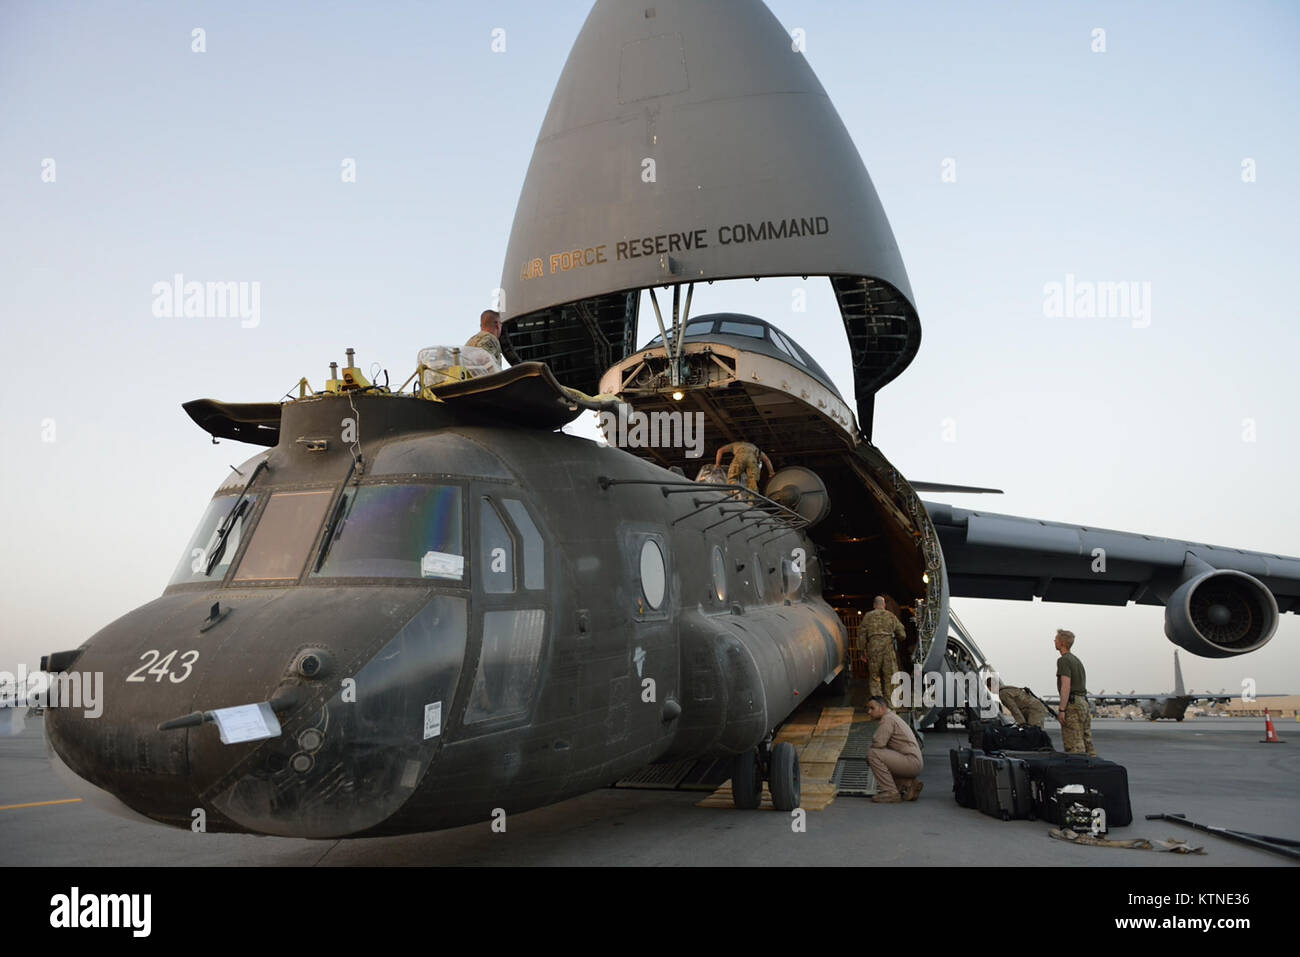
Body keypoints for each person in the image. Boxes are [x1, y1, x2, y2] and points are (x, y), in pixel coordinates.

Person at [866, 695, 924, 803]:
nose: (869, 712)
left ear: (882, 708)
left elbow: (878, 743)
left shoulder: (887, 719)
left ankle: (890, 792)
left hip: (911, 762)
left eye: (872, 708)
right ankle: (909, 784)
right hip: (913, 762)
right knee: (880, 755)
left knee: (873, 754)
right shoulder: (892, 717)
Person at [1055, 628, 1097, 756]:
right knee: (1087, 742)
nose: (1054, 641)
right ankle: (1094, 769)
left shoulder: (1063, 660)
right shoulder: (1076, 660)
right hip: (1083, 702)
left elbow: (1066, 686)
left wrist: (1062, 709)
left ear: (1062, 643)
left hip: (1073, 705)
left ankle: (1078, 771)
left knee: (1073, 745)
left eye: (1056, 639)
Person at [860, 596, 906, 699]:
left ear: (874, 605)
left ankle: (878, 703)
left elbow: (862, 635)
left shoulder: (868, 616)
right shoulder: (891, 616)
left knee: (874, 677)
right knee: (890, 677)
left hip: (873, 650)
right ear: (884, 605)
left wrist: (862, 651)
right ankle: (893, 704)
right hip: (888, 651)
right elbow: (902, 634)